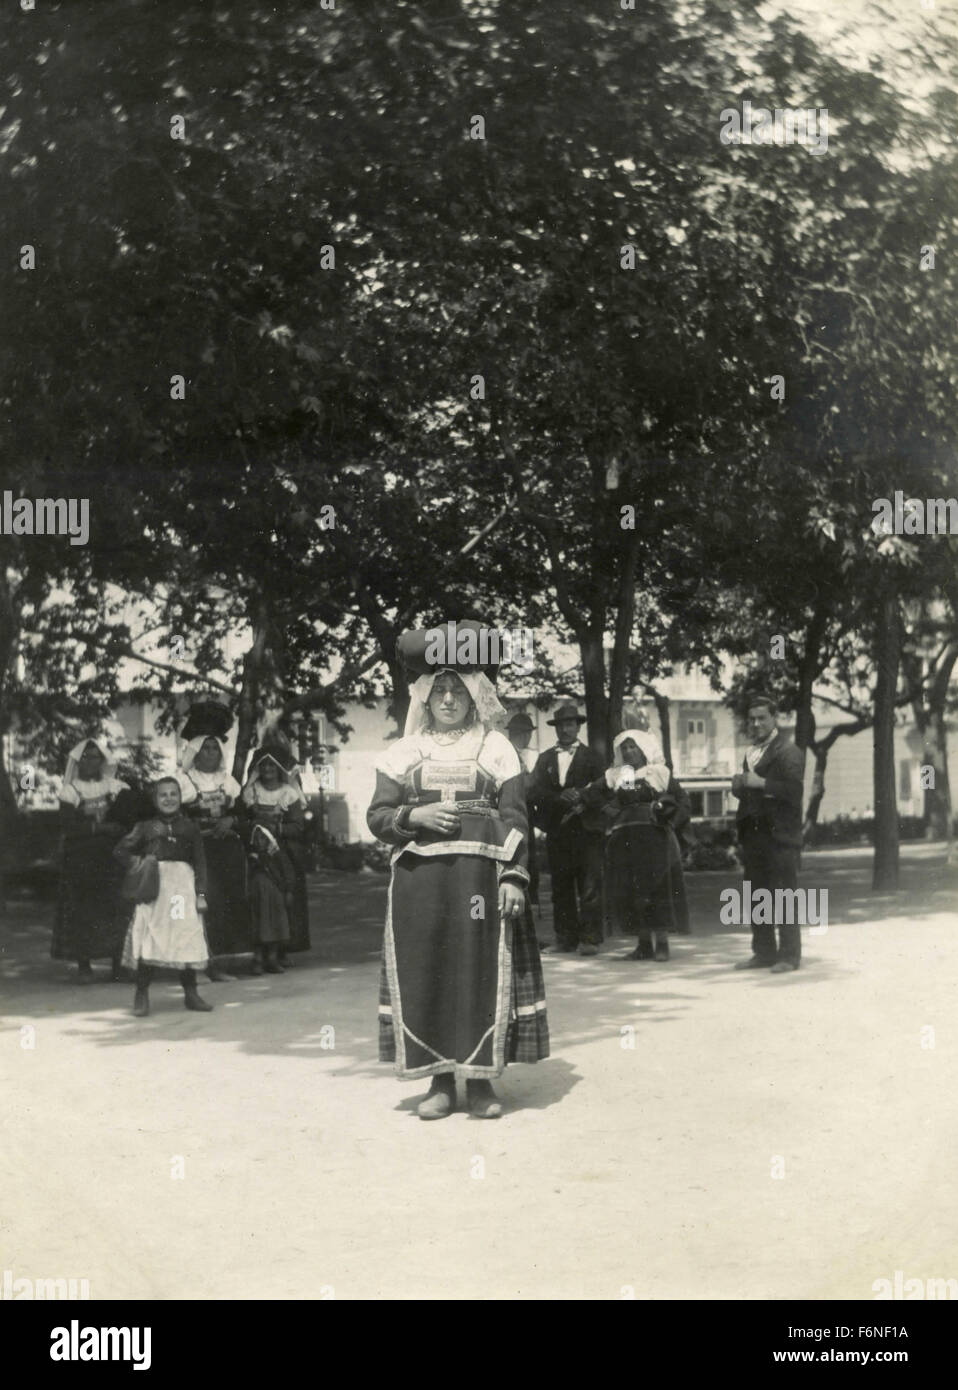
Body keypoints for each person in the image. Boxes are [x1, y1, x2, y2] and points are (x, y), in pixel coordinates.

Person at [367, 635, 548, 1120]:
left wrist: (514, 877)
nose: (448, 699)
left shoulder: (496, 748)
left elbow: (515, 818)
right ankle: (440, 1079)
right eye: (440, 690)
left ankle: (483, 1080)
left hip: (480, 883)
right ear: (425, 695)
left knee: (479, 971)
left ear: (474, 695)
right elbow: (378, 816)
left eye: (458, 690)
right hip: (420, 883)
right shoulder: (405, 751)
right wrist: (415, 816)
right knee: (430, 971)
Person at [581, 730, 690, 961]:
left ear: (643, 748)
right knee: (633, 890)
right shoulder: (616, 774)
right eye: (625, 748)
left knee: (657, 888)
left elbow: (683, 801)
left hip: (655, 839)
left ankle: (661, 944)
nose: (629, 752)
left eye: (633, 747)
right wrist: (607, 808)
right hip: (625, 840)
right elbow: (591, 794)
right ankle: (643, 945)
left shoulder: (658, 772)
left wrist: (670, 820)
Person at [115, 777, 213, 1016]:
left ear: (181, 798)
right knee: (152, 936)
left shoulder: (190, 827)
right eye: (163, 795)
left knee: (184, 935)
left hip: (182, 888)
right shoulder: (146, 827)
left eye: (173, 794)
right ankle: (141, 994)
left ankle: (191, 993)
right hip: (155, 889)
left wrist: (200, 893)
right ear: (155, 799)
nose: (169, 799)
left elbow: (200, 862)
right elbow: (120, 850)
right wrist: (140, 864)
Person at [731, 694, 805, 973]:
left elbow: (794, 792)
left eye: (762, 717)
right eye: (752, 719)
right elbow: (750, 788)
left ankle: (789, 955)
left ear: (774, 718)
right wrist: (740, 786)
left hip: (779, 835)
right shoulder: (751, 752)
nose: (756, 723)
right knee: (757, 895)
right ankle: (764, 952)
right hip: (754, 834)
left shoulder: (788, 751)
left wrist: (761, 782)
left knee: (783, 894)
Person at [528, 702, 606, 955]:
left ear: (578, 727)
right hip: (558, 831)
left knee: (590, 885)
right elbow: (534, 791)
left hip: (587, 829)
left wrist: (583, 799)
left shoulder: (593, 757)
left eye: (570, 724)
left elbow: (606, 790)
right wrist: (558, 797)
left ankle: (590, 939)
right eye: (561, 725)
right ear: (556, 728)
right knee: (561, 885)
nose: (565, 730)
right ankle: (565, 938)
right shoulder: (545, 759)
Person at [52, 738, 130, 982]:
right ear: (77, 761)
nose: (90, 762)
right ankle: (84, 965)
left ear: (103, 761)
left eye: (95, 757)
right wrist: (100, 828)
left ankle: (118, 964)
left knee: (116, 909)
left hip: (112, 858)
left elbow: (127, 819)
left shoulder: (116, 787)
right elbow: (68, 826)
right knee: (83, 911)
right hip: (82, 860)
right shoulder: (70, 791)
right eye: (85, 757)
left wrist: (110, 829)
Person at [181, 734, 250, 982]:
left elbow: (243, 812)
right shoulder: (184, 781)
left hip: (225, 850)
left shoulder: (227, 782)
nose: (210, 753)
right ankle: (197, 965)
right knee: (201, 902)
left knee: (224, 905)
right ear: (195, 753)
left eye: (215, 748)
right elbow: (172, 814)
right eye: (205, 748)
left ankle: (218, 963)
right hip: (196, 851)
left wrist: (231, 819)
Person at [240, 747, 309, 974]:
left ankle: (277, 952)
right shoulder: (252, 792)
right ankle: (258, 954)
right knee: (259, 899)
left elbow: (299, 827)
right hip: (256, 855)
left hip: (282, 856)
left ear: (279, 768)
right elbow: (243, 822)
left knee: (282, 901)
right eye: (264, 765)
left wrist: (277, 827)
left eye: (272, 765)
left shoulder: (289, 793)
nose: (268, 769)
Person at [506, 711, 543, 944]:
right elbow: (523, 788)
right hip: (517, 820)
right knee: (523, 870)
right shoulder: (512, 755)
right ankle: (522, 936)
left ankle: (526, 935)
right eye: (528, 733)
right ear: (525, 734)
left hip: (524, 818)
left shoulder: (515, 754)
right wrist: (538, 780)